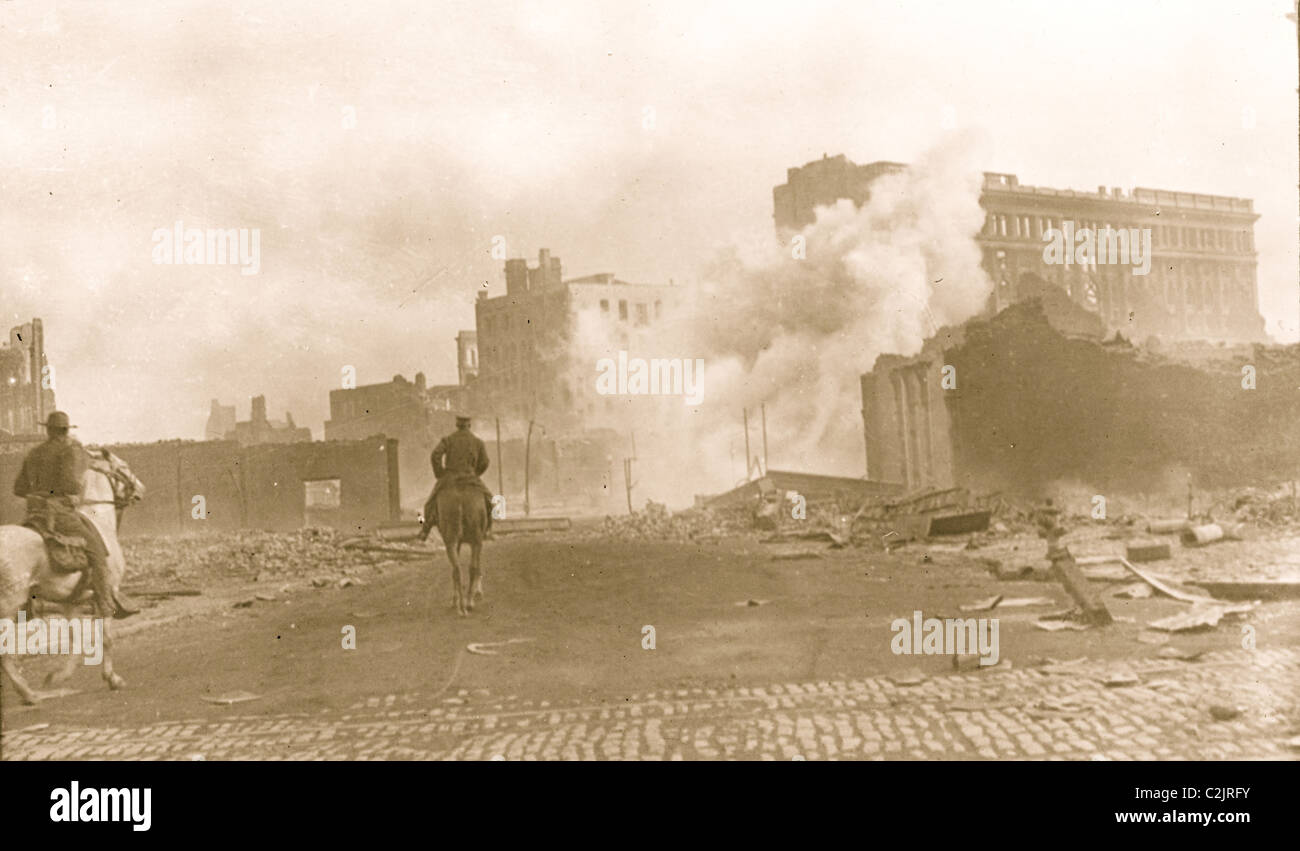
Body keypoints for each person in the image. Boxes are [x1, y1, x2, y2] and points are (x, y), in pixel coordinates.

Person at [12, 411, 140, 619]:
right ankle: (106, 603)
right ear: (65, 431)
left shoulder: (33, 453)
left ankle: (27, 607)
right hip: (60, 513)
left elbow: (19, 488)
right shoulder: (68, 450)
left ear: (48, 430)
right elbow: (71, 484)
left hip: (33, 515)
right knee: (97, 550)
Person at [418, 414, 494, 541]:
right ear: (469, 425)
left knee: (429, 504)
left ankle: (424, 530)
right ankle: (488, 530)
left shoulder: (448, 440)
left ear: (457, 425)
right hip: (470, 477)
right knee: (493, 501)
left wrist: (440, 474)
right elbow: (485, 462)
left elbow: (435, 455)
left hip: (449, 478)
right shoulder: (478, 442)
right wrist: (475, 474)